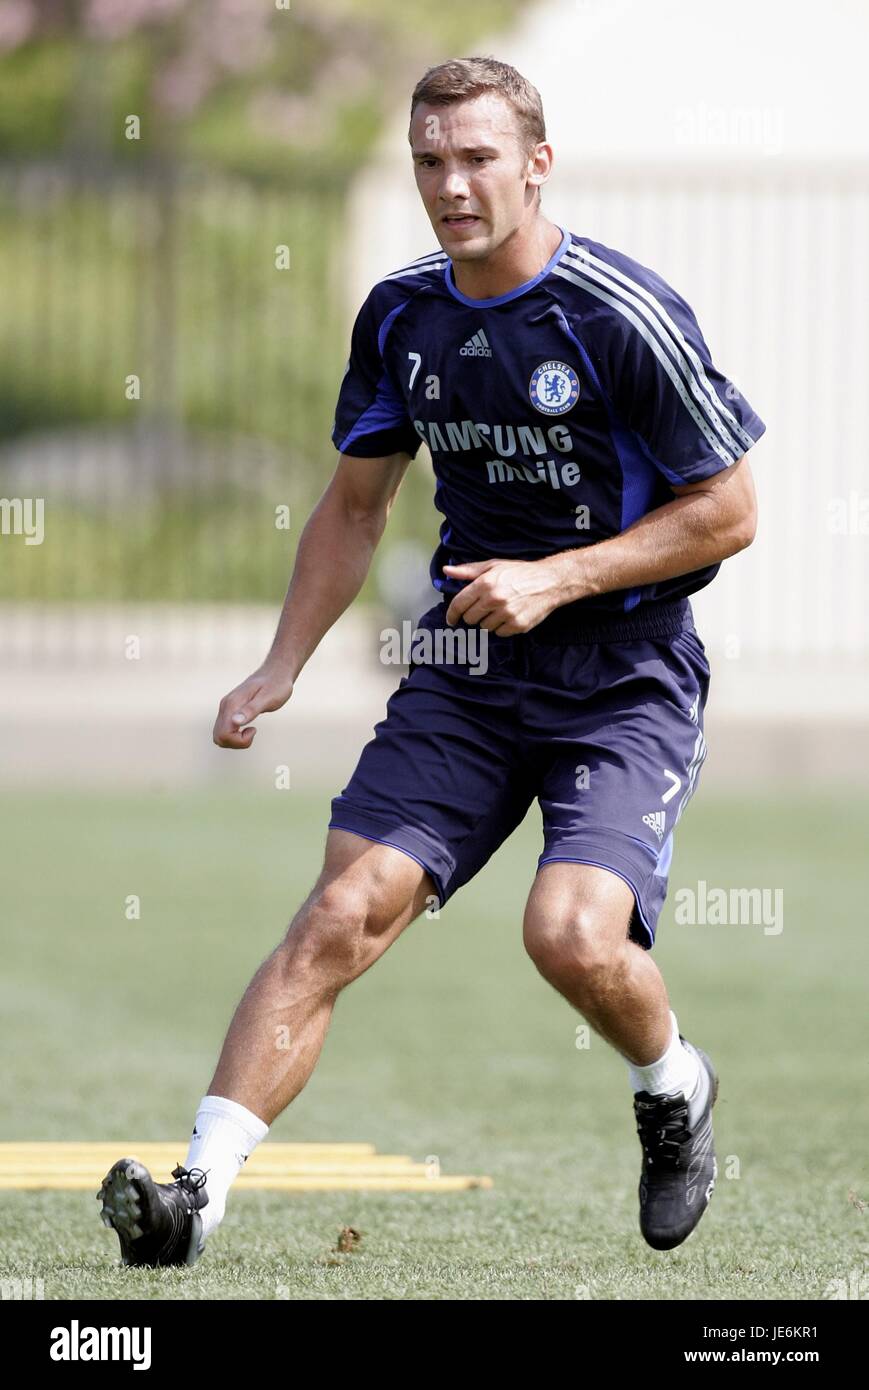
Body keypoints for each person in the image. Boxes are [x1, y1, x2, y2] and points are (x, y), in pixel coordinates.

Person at [97, 55, 764, 1266]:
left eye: (475, 158)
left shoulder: (620, 314)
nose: (450, 185)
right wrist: (279, 664)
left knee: (567, 936)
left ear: (536, 163)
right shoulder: (403, 314)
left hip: (622, 676)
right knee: (339, 914)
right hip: (465, 668)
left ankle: (673, 1087)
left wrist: (558, 576)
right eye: (427, 161)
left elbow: (728, 508)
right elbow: (354, 507)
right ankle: (194, 1196)